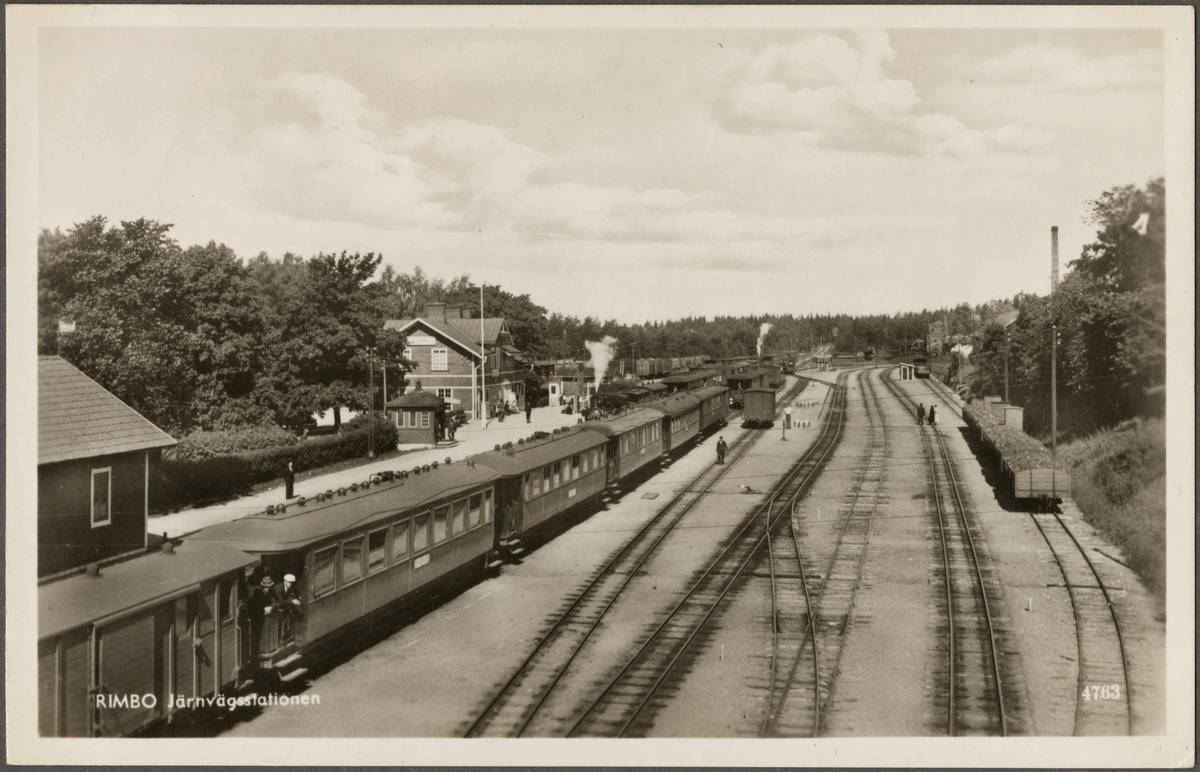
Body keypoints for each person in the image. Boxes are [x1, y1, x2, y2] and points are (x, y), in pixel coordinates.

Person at [244, 575, 275, 671]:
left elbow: (271, 601)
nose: (267, 589)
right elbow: (256, 608)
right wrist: (264, 610)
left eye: (268, 587)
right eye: (265, 587)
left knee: (256, 642)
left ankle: (254, 664)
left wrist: (270, 607)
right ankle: (254, 665)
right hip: (255, 621)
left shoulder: (263, 593)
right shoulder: (258, 593)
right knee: (255, 642)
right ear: (262, 586)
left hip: (257, 620)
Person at [274, 573, 303, 642]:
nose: (290, 584)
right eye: (289, 582)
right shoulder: (278, 589)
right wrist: (292, 601)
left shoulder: (289, 587)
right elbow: (281, 602)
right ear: (285, 581)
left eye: (291, 583)